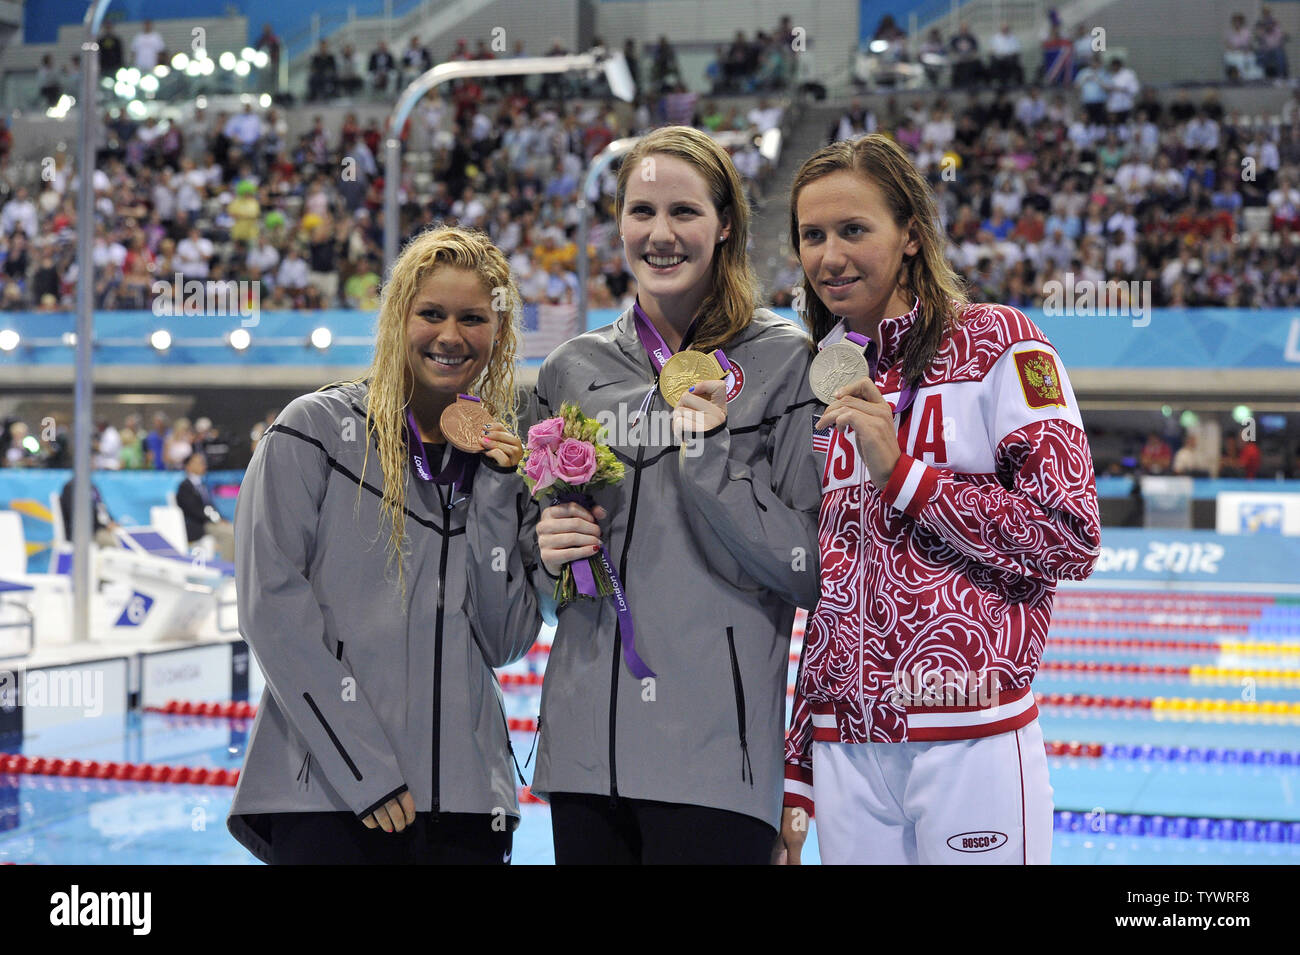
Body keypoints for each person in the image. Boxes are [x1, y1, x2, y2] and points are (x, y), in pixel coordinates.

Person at [777, 134, 1101, 865]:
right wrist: (797, 779)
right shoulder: (813, 380)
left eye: (854, 229)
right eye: (813, 235)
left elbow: (1069, 533)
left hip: (972, 734)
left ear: (912, 235)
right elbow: (825, 601)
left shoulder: (1000, 345)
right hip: (845, 751)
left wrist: (906, 475)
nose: (830, 256)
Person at [524, 125, 822, 864]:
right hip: (584, 758)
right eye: (641, 211)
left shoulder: (785, 360)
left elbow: (809, 565)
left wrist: (708, 456)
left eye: (684, 212)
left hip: (718, 762)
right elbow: (534, 586)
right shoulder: (570, 370)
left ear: (725, 226)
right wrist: (544, 552)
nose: (660, 234)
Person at [227, 226, 539, 865]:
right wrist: (361, 766)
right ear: (399, 317)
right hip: (332, 799)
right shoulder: (312, 433)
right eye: (431, 313)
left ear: (497, 334)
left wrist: (499, 492)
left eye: (473, 318)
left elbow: (505, 638)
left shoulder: (501, 462)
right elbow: (271, 611)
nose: (451, 336)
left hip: (467, 805)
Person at [176, 452, 235, 561]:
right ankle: (227, 568)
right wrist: (216, 520)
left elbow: (210, 507)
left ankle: (237, 568)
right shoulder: (184, 487)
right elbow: (194, 510)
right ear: (188, 466)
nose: (203, 465)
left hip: (209, 521)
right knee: (229, 534)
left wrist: (220, 518)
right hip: (198, 525)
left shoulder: (203, 485)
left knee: (235, 530)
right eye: (199, 463)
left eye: (203, 462)